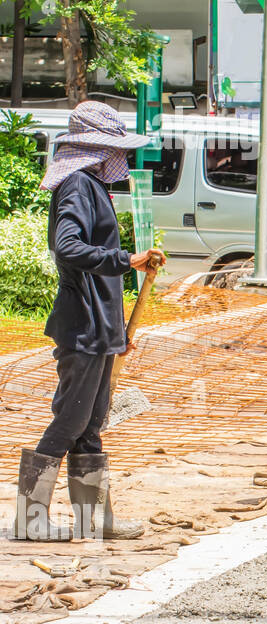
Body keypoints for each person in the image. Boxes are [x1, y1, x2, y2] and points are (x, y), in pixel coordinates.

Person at [16, 101, 165, 542]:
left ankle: (94, 519)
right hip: (80, 323)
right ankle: (29, 519)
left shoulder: (92, 184)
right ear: (94, 147)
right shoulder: (78, 183)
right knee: (70, 421)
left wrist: (117, 332)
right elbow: (68, 247)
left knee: (91, 423)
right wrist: (126, 259)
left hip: (99, 325)